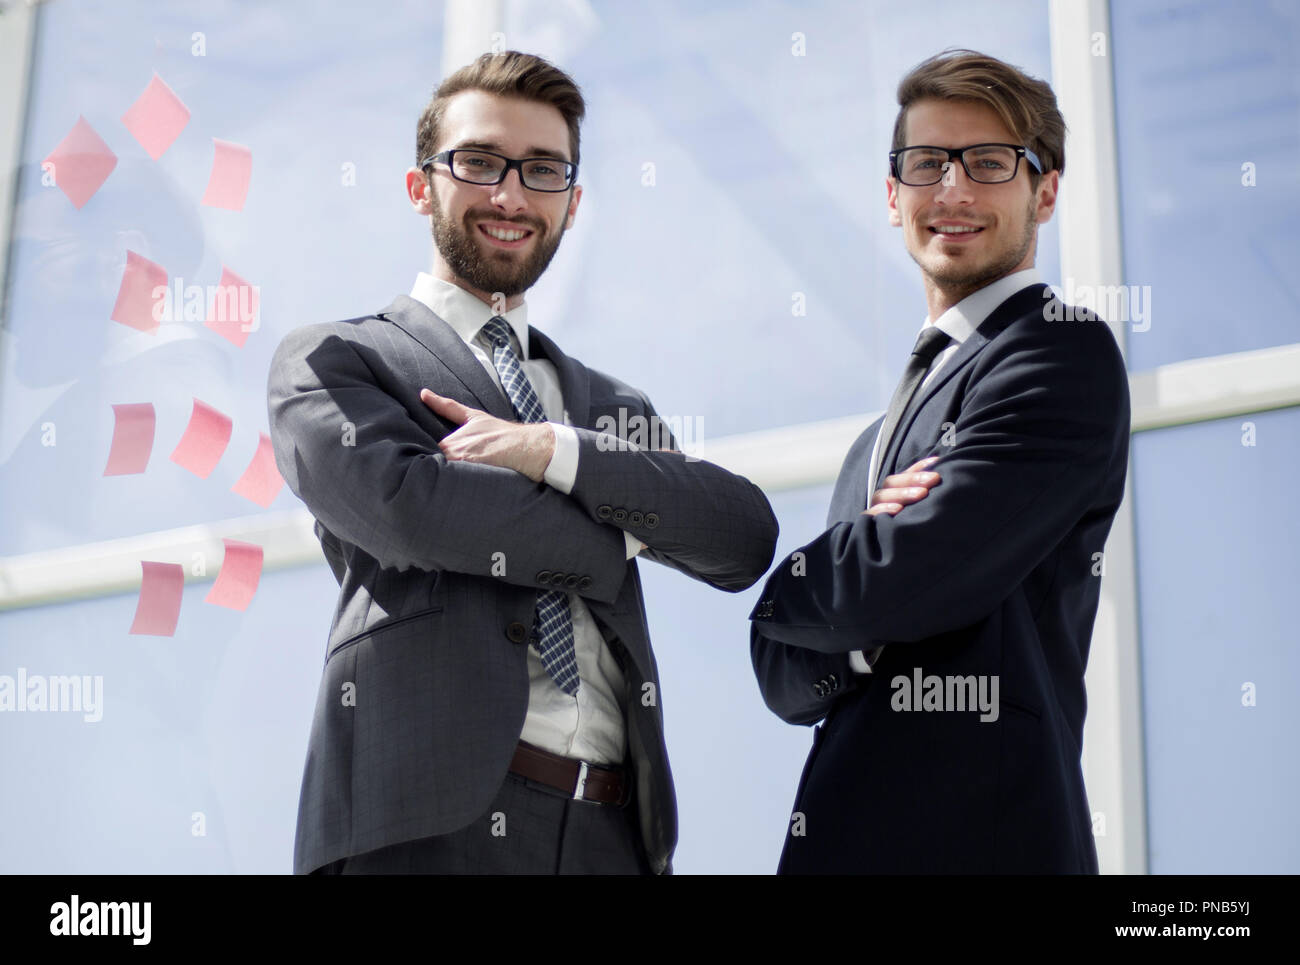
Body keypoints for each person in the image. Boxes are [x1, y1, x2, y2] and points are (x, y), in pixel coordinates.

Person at [267, 51, 778, 875]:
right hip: (426, 830)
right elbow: (414, 506)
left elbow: (741, 535)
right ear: (420, 186)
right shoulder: (338, 360)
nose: (510, 194)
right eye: (478, 162)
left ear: (572, 205)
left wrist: (555, 451)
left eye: (542, 171)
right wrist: (619, 538)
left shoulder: (609, 408)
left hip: (614, 836)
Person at [749, 49, 1130, 873]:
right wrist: (851, 623)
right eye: (927, 163)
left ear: (1046, 191)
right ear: (894, 197)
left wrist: (800, 588)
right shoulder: (868, 450)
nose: (952, 191)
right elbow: (780, 675)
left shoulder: (1056, 352)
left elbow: (917, 571)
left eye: (989, 163)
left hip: (986, 842)